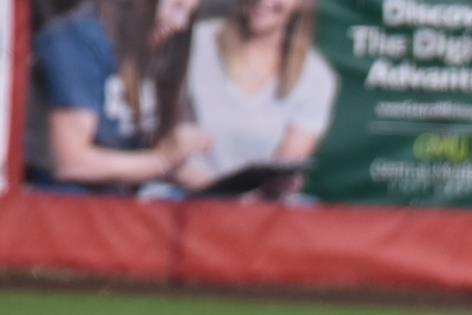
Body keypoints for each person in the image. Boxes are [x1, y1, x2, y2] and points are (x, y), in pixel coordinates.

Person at [26, 0, 212, 192]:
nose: (180, 23)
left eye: (189, 14)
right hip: (63, 202)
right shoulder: (80, 38)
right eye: (176, 6)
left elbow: (151, 159)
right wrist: (163, 160)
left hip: (119, 201)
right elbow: (71, 161)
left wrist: (223, 192)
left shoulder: (153, 50)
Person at [178, 0, 338, 194]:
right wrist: (226, 196)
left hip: (256, 208)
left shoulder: (316, 76)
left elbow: (286, 164)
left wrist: (274, 190)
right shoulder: (192, 44)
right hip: (181, 196)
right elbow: (164, 153)